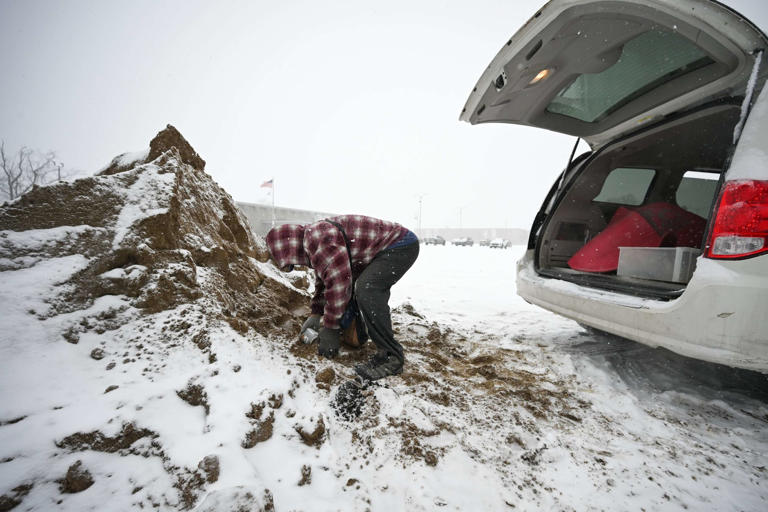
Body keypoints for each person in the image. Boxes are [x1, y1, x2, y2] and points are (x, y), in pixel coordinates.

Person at [265, 215, 419, 381]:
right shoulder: (312, 241)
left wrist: (331, 328)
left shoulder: (318, 239)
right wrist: (315, 314)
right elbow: (325, 279)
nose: (296, 264)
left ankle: (392, 357)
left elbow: (339, 283)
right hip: (387, 247)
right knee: (354, 294)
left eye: (291, 262)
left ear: (290, 248)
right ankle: (359, 331)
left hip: (400, 245)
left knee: (367, 290)